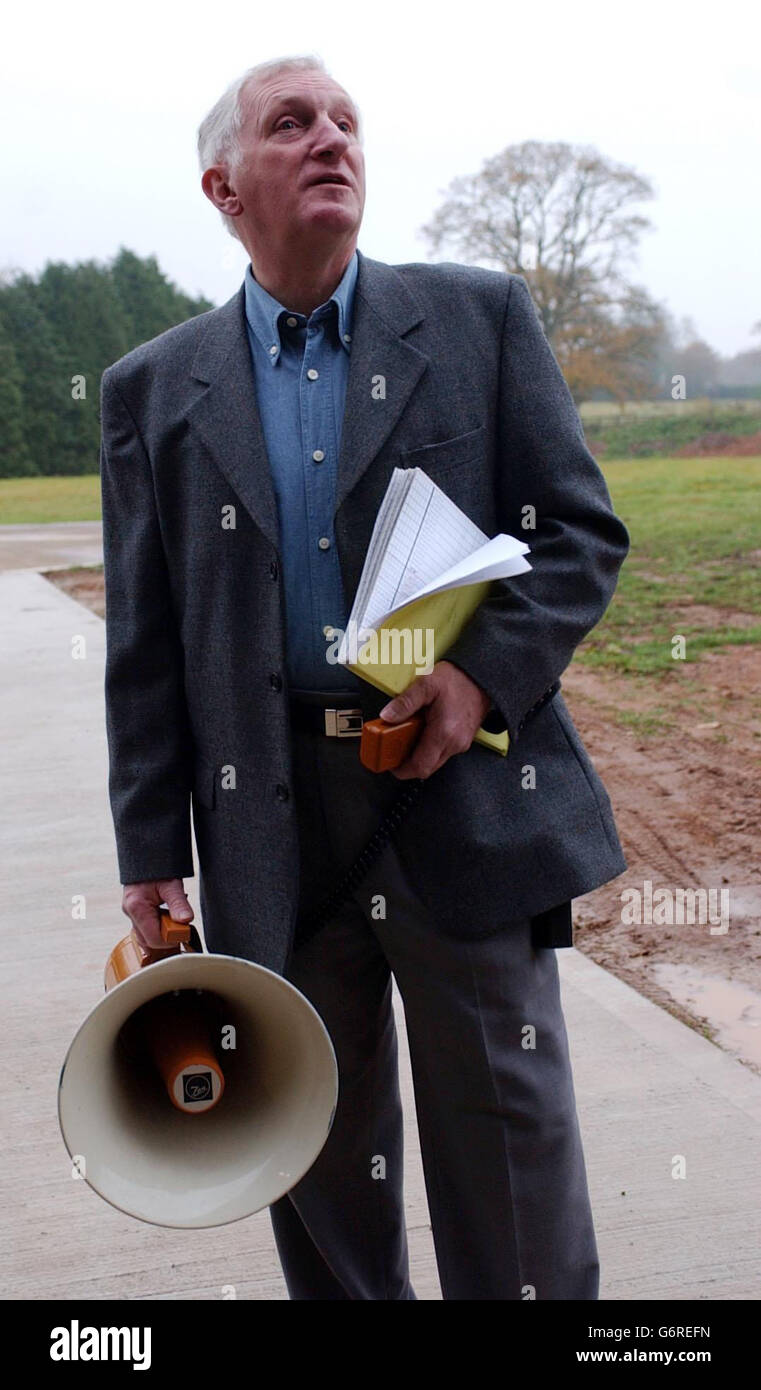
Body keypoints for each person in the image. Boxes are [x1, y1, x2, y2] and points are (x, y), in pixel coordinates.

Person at [99, 53, 630, 1300]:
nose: (331, 138)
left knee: (507, 1142)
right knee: (322, 1157)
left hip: (452, 791)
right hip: (266, 819)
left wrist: (479, 681)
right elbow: (144, 646)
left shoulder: (475, 319)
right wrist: (148, 857)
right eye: (292, 124)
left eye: (345, 121)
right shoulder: (153, 392)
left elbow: (578, 532)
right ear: (224, 186)